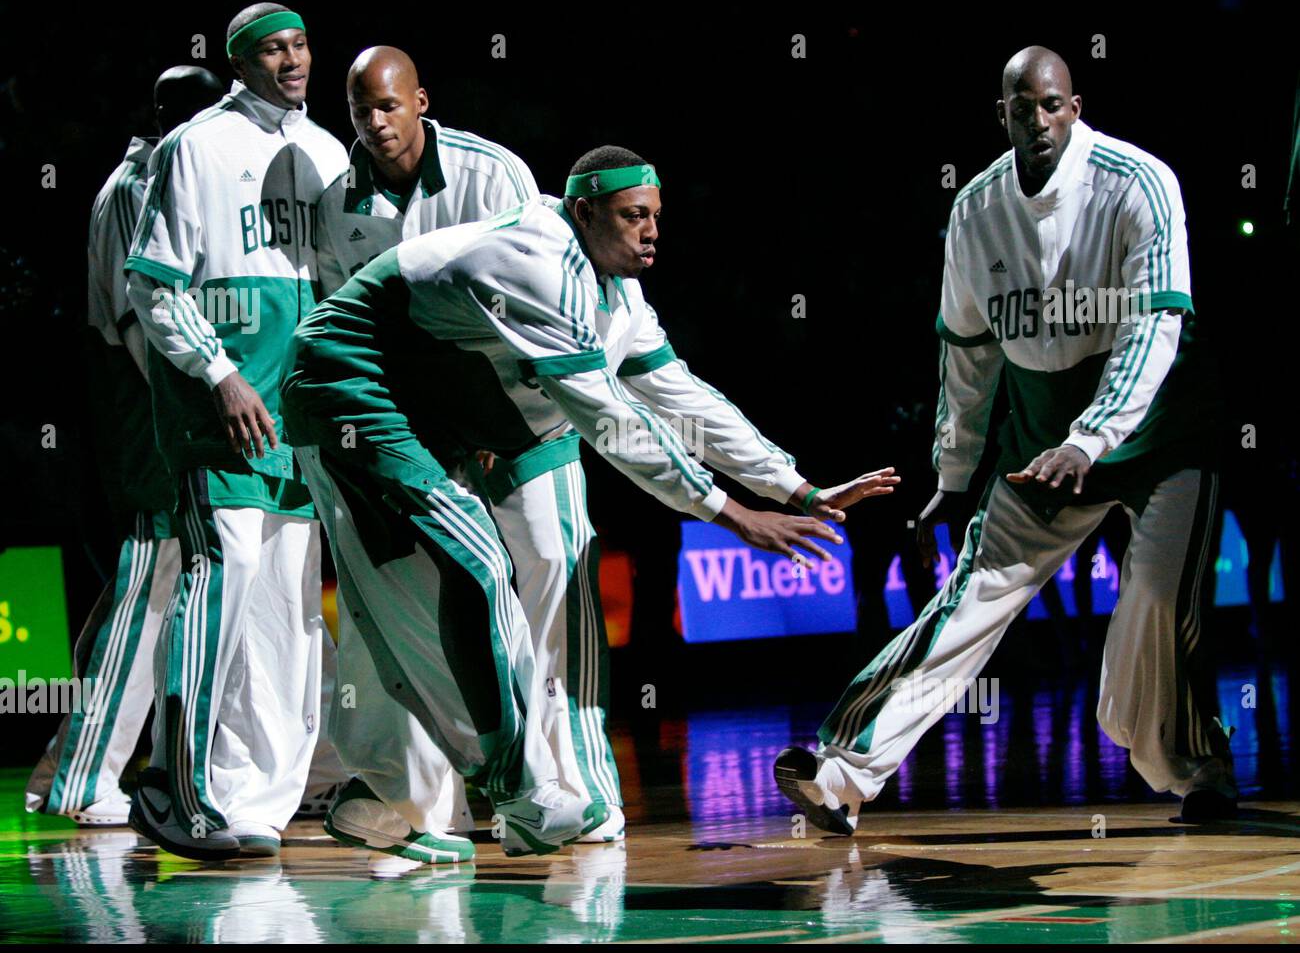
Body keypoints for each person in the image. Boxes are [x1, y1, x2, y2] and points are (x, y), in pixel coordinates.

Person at [281, 146, 896, 869]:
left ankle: (383, 801)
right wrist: (728, 511)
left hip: (433, 414)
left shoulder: (619, 295)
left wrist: (793, 486)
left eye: (657, 217)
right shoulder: (538, 264)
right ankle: (521, 790)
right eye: (634, 216)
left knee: (432, 598)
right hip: (345, 383)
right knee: (474, 566)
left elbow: (683, 397)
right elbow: (611, 423)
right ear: (583, 211)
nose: (652, 231)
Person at [775, 46, 1237, 832]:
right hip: (1040, 445)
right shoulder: (976, 208)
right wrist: (952, 475)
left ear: (1076, 106)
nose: (1040, 119)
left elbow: (1154, 328)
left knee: (1160, 601)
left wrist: (1091, 438)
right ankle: (842, 771)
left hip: (1162, 435)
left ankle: (1197, 771)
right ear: (1003, 116)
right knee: (966, 599)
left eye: (1053, 104)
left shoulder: (1143, 183)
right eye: (1023, 107)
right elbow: (967, 351)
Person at [122, 3, 347, 860]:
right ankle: (173, 788)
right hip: (223, 411)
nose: (291, 60)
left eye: (300, 44)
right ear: (238, 62)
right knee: (225, 579)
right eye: (272, 50)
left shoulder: (328, 152)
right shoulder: (196, 148)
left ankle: (256, 796)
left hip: (301, 417)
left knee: (289, 610)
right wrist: (220, 375)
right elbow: (156, 285)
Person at [304, 45, 537, 839]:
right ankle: (403, 795)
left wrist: (493, 429)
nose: (374, 124)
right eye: (360, 111)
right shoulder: (339, 204)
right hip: (390, 428)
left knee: (506, 590)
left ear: (421, 102)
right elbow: (344, 327)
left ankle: (534, 781)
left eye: (388, 107)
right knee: (394, 603)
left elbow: (528, 305)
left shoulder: (492, 175)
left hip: (499, 418)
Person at [25, 67, 224, 826]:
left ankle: (63, 764)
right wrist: (212, 392)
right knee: (153, 578)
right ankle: (82, 775)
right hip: (151, 408)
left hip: (178, 406)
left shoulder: (173, 177)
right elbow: (141, 323)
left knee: (189, 582)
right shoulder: (138, 187)